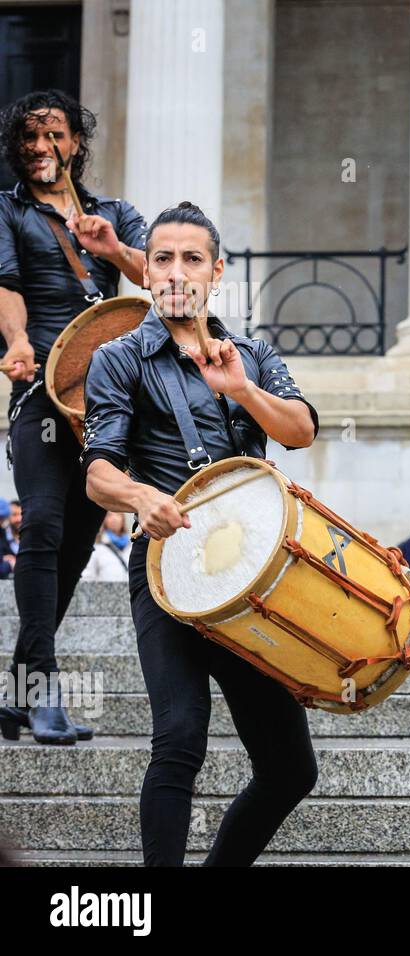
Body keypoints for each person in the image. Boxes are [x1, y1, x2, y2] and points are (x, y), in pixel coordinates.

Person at [82, 202, 320, 865]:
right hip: (168, 572)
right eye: (162, 259)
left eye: (192, 259)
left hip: (253, 577)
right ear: (145, 272)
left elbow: (299, 430)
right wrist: (139, 496)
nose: (176, 272)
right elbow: (97, 471)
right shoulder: (118, 359)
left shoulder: (253, 355)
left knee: (291, 769)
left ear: (216, 272)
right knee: (180, 738)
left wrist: (243, 391)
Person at [0, 90, 147, 745]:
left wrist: (113, 249)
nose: (41, 147)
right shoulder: (8, 211)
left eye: (53, 135)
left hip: (105, 401)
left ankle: (15, 692)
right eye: (29, 137)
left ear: (76, 144)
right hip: (41, 393)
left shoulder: (114, 213)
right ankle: (45, 690)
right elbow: (5, 286)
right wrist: (17, 342)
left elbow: (158, 279)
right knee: (44, 525)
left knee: (76, 543)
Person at [81, 512, 131, 582]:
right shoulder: (97, 548)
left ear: (123, 519)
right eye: (110, 515)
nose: (114, 519)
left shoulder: (132, 546)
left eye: (118, 514)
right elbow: (87, 578)